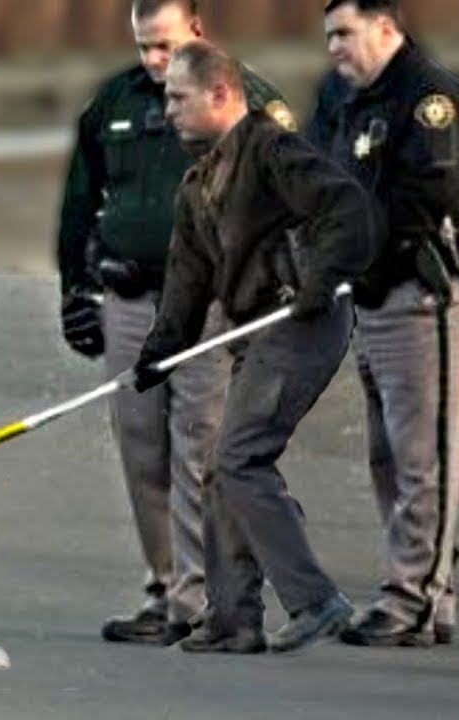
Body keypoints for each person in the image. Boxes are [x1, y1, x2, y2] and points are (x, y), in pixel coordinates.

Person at [56, 0, 293, 646]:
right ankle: (163, 590)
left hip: (207, 303)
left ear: (197, 29)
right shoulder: (114, 102)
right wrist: (73, 288)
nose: (155, 63)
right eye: (144, 48)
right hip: (129, 298)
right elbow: (81, 199)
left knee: (200, 449)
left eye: (164, 45)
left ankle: (201, 597)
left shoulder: (239, 95)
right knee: (142, 449)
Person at [135, 39, 377, 653]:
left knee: (242, 457)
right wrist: (158, 352)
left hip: (300, 324)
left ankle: (315, 599)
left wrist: (319, 281)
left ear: (221, 94)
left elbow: (347, 207)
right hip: (256, 334)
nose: (169, 110)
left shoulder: (273, 150)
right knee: (222, 467)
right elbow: (186, 283)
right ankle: (233, 618)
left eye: (178, 97)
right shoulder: (197, 185)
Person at [306, 0, 459, 647]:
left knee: (424, 455)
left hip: (422, 294)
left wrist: (363, 253)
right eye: (328, 36)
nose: (334, 48)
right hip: (372, 294)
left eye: (345, 33)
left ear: (386, 28)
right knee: (387, 452)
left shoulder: (427, 96)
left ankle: (414, 596)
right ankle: (421, 593)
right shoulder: (344, 96)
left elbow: (428, 197)